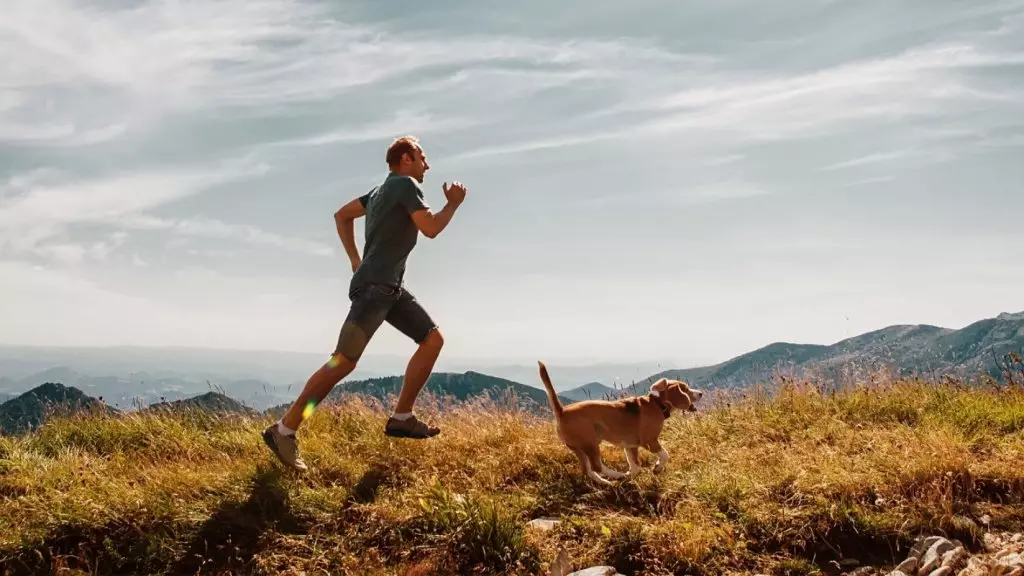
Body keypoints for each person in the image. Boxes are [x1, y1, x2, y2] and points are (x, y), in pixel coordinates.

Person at [262, 135, 467, 472]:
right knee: (342, 362)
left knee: (432, 339)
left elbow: (342, 215)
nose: (427, 165)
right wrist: (453, 204)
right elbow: (430, 228)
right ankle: (284, 429)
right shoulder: (405, 185)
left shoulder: (378, 193)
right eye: (422, 158)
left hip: (388, 289)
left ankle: (402, 416)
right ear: (405, 159)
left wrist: (356, 260)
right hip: (375, 289)